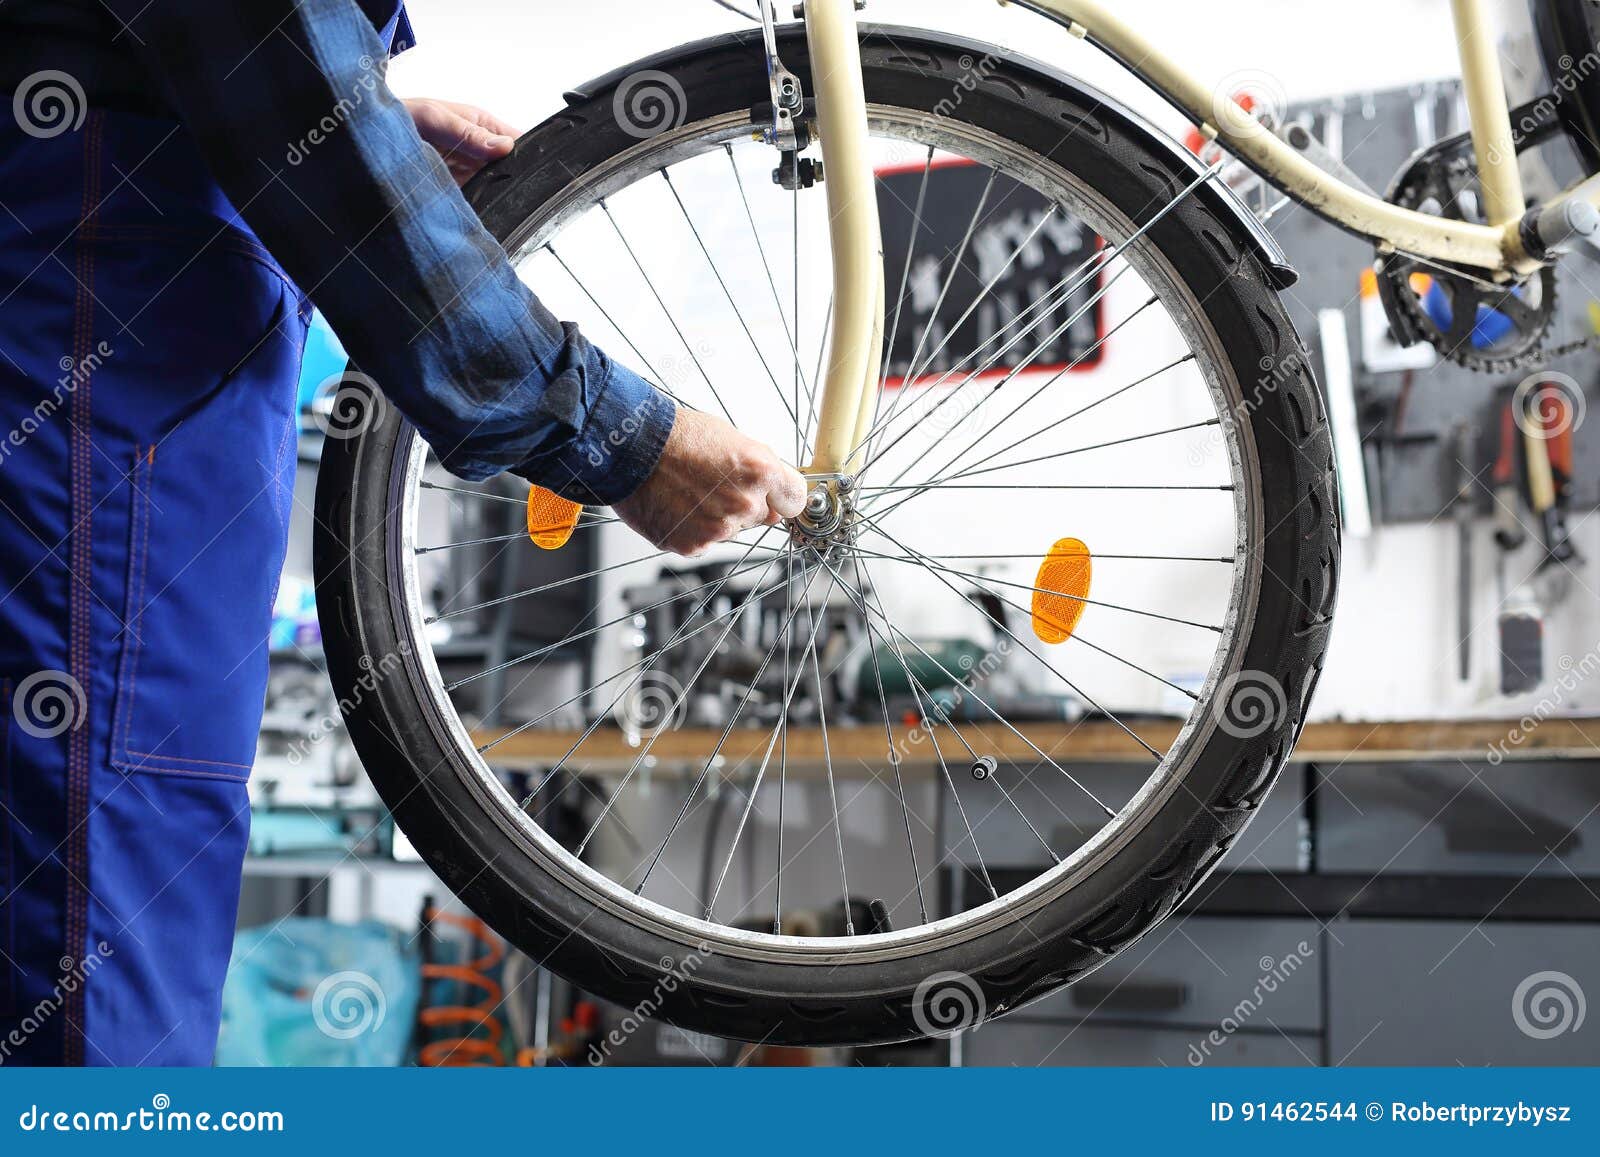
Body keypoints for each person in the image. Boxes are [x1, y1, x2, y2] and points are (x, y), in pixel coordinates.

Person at [0, 0, 806, 1066]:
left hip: (128, 409)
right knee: (98, 990)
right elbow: (269, 48)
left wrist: (324, 143)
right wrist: (619, 437)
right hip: (90, 416)